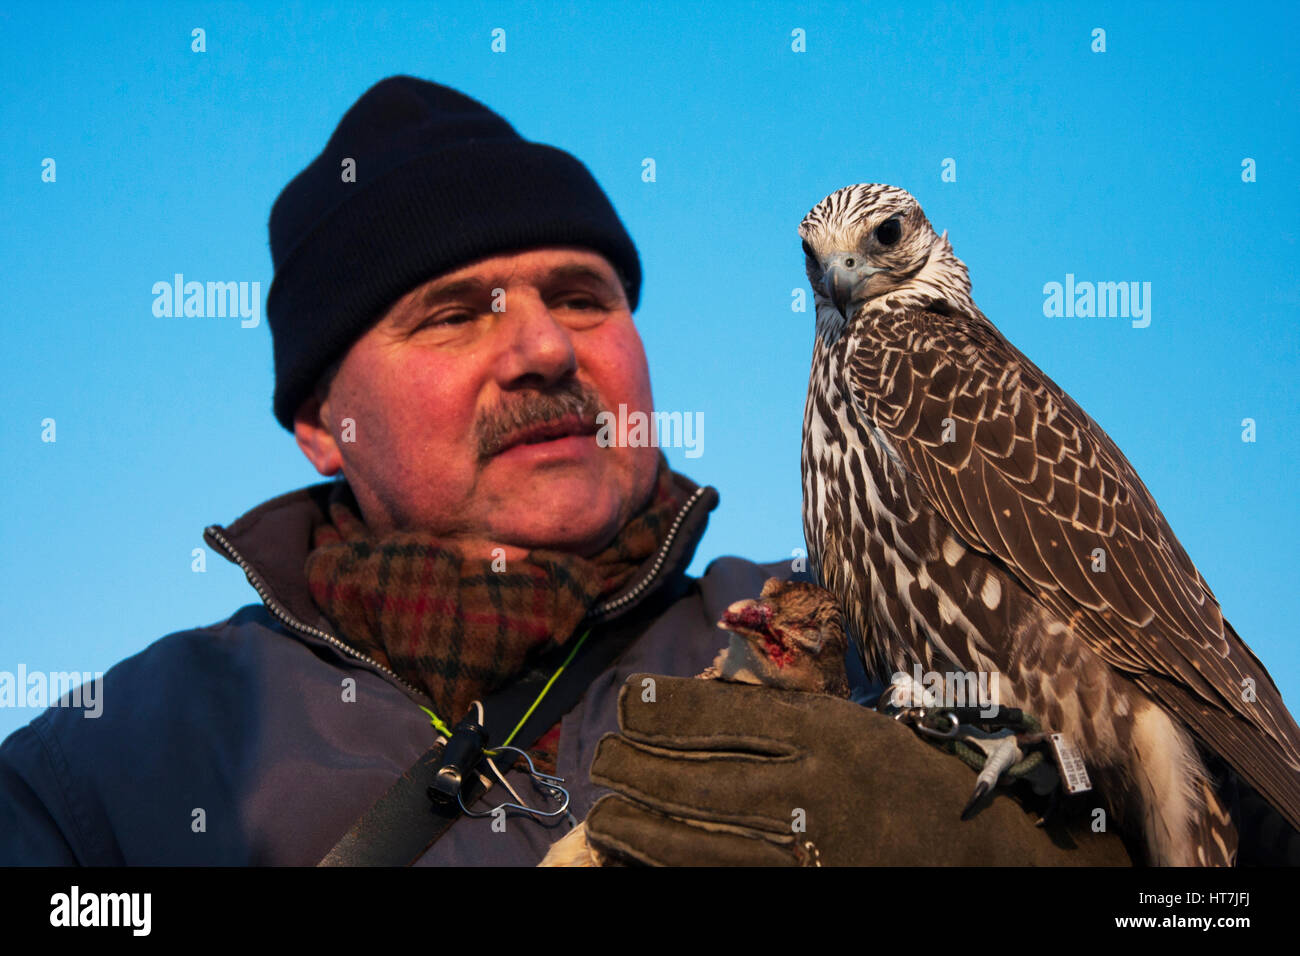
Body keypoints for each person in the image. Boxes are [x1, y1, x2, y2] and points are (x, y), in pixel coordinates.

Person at [0, 76, 1133, 866]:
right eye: (452, 316)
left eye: (583, 298)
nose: (544, 348)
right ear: (320, 423)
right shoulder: (97, 775)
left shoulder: (867, 626)